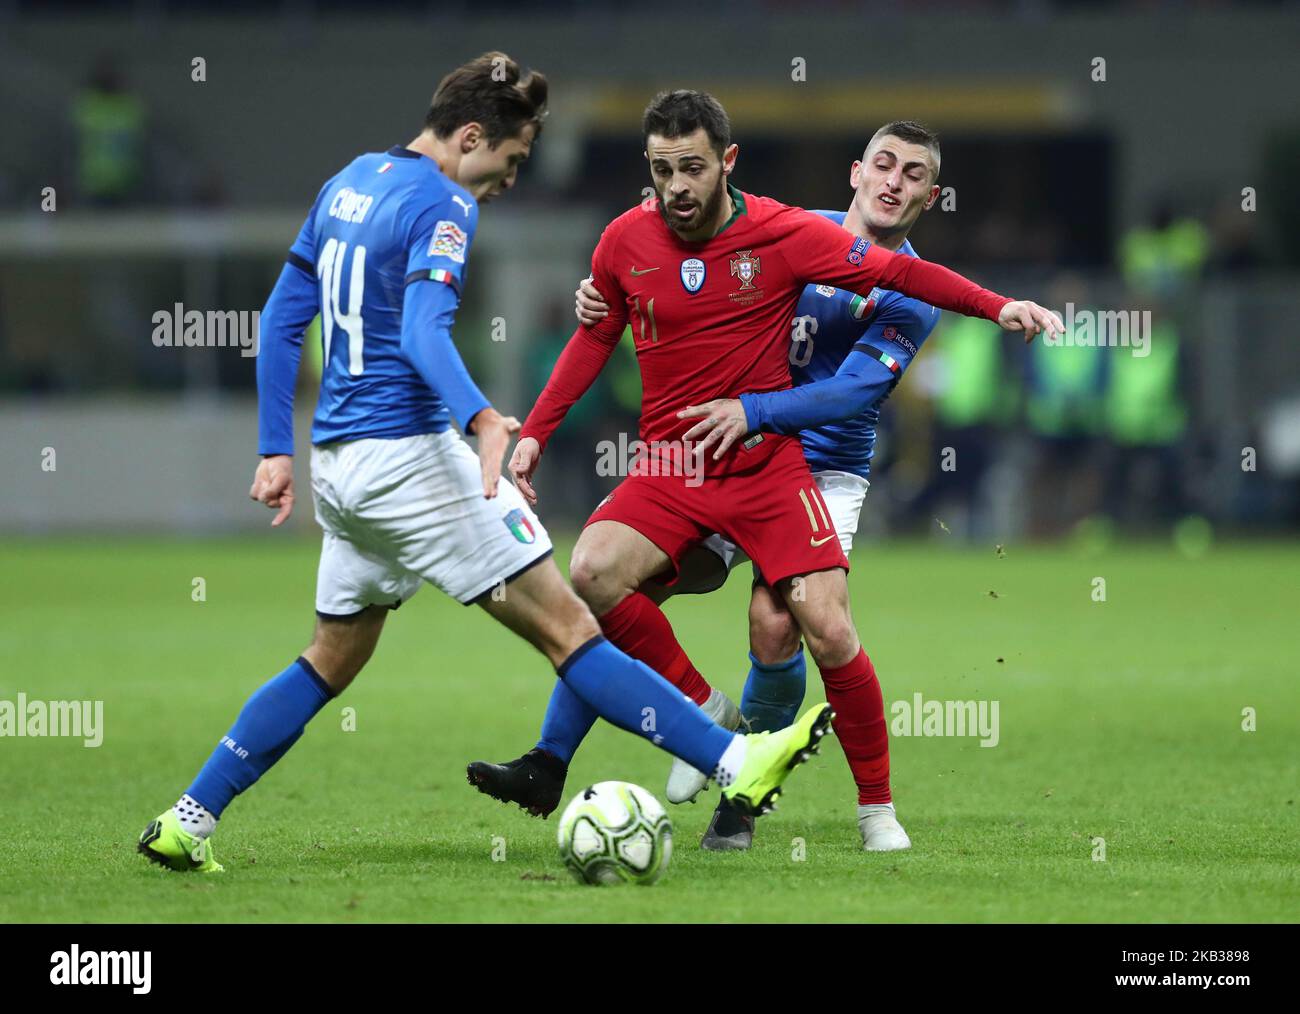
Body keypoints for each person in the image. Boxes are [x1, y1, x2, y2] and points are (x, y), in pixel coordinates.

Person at [137, 56, 832, 874]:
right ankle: (730, 759)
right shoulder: (445, 205)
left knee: (330, 657)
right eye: (510, 158)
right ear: (471, 137)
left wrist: (272, 449)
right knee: (574, 626)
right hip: (413, 464)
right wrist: (483, 420)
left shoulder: (349, 182)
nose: (509, 177)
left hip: (339, 468)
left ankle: (187, 820)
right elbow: (424, 333)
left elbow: (283, 318)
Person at [468, 91, 1061, 856]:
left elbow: (851, 392)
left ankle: (785, 806)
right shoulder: (795, 229)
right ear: (856, 172)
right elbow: (664, 281)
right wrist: (608, 298)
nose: (893, 182)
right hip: (710, 453)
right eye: (882, 164)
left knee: (789, 624)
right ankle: (597, 749)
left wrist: (997, 304)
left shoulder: (897, 286)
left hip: (816, 463)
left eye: (912, 175)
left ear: (930, 195)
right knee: (609, 584)